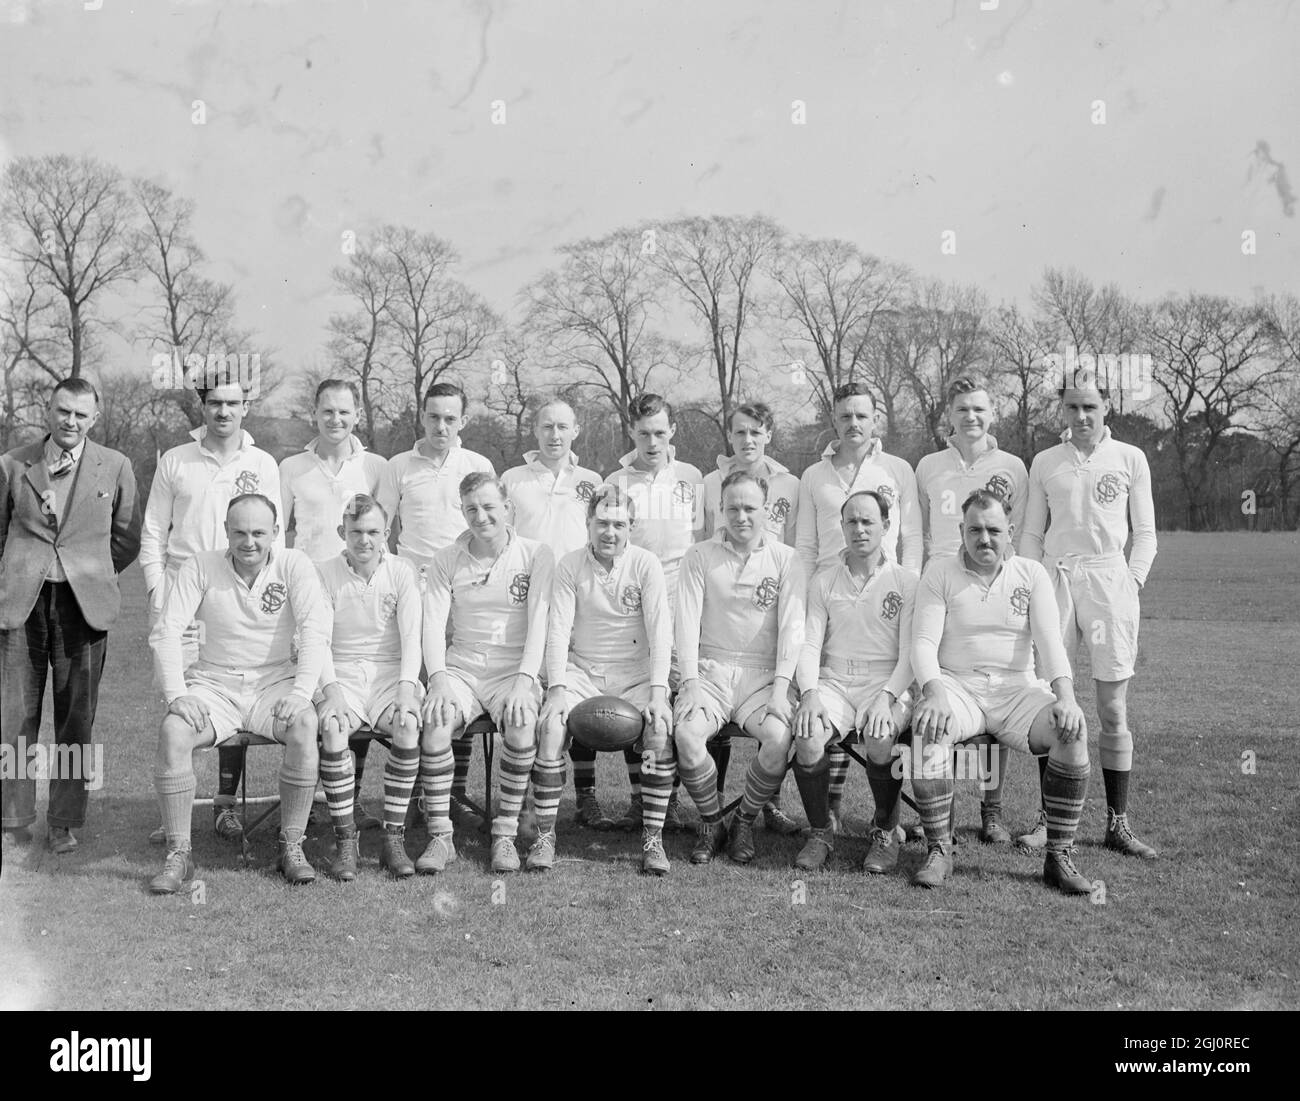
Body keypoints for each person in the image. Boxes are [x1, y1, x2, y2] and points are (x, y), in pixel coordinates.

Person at [909, 489, 1095, 894]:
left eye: (994, 530)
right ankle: (940, 848)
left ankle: (1059, 857)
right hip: (959, 685)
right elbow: (923, 643)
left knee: (1073, 732)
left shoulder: (1032, 573)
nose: (984, 539)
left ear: (1010, 531)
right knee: (927, 728)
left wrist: (1066, 696)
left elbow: (1050, 642)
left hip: (1017, 689)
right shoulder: (939, 572)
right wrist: (935, 692)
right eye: (974, 529)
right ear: (961, 530)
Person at [146, 494, 330, 893]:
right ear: (226, 532)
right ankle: (179, 854)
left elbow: (316, 630)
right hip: (215, 683)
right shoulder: (201, 566)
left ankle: (292, 845)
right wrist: (177, 694)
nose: (249, 542)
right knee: (174, 731)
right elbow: (167, 630)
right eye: (240, 532)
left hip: (274, 681)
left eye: (259, 533)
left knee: (305, 723)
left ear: (276, 533)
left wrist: (301, 693)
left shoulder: (294, 564)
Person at [1018, 378, 1159, 859]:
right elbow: (1032, 534)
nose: (1082, 415)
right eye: (1073, 406)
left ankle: (1117, 823)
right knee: (1053, 702)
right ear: (1061, 409)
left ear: (1105, 409)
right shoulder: (1046, 462)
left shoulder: (1129, 457)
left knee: (1111, 708)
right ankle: (1047, 818)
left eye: (1090, 407)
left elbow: (1146, 534)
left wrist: (1130, 581)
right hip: (1055, 582)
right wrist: (1032, 586)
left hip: (1108, 581)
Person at [0, 377, 141, 852]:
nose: (71, 422)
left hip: (84, 609)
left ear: (94, 418)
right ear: (50, 409)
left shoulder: (116, 467)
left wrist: (91, 574)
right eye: (63, 411)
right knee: (15, 716)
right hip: (23, 606)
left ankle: (63, 822)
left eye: (81, 415)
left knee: (76, 719)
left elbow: (127, 538)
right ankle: (13, 818)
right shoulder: (13, 464)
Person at [140, 373, 281, 844]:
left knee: (236, 687)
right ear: (201, 406)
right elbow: (154, 534)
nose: (224, 412)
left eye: (233, 403)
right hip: (185, 591)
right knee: (179, 700)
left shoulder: (261, 462)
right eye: (215, 402)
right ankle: (171, 814)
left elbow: (273, 534)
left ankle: (224, 804)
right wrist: (162, 600)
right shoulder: (176, 460)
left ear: (246, 408)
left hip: (236, 590)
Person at [795, 381, 920, 830]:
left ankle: (884, 826)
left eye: (862, 416)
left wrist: (910, 589)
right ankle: (825, 822)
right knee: (816, 729)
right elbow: (806, 548)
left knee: (879, 733)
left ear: (875, 419)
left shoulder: (898, 470)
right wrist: (810, 600)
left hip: (883, 598)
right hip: (831, 598)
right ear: (834, 420)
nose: (853, 424)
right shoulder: (814, 475)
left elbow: (915, 539)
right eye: (845, 416)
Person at [531, 485, 675, 874]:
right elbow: (558, 629)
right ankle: (545, 836)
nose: (609, 532)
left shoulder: (646, 564)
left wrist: (659, 693)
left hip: (634, 673)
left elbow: (661, 631)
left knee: (658, 729)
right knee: (549, 728)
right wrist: (557, 689)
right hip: (585, 671)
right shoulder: (570, 565)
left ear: (632, 526)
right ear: (588, 523)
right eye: (602, 523)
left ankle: (652, 837)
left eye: (619, 524)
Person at [418, 473, 553, 875]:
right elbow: (432, 624)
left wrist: (525, 680)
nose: (481, 517)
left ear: (507, 508)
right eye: (472, 509)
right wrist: (438, 678)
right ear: (462, 511)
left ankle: (506, 835)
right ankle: (441, 837)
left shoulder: (535, 554)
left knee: (521, 722)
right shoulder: (446, 558)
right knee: (436, 722)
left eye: (489, 507)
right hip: (462, 669)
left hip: (513, 671)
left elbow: (540, 622)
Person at [914, 376, 1029, 844]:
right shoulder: (927, 466)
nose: (971, 417)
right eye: (962, 409)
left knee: (998, 688)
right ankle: (934, 814)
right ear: (951, 415)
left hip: (996, 590)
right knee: (940, 697)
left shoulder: (1012, 467)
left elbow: (1019, 538)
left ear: (991, 413)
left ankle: (992, 809)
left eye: (979, 409)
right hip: (942, 590)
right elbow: (916, 535)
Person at [674, 470, 806, 866]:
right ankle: (713, 821)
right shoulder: (699, 555)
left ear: (767, 510)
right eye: (733, 507)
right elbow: (685, 623)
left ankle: (745, 820)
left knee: (779, 737)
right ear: (720, 509)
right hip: (711, 672)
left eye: (750, 507)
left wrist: (782, 689)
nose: (741, 516)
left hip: (764, 676)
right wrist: (691, 683)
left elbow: (792, 629)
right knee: (686, 734)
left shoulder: (787, 558)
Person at [280, 379, 388, 829]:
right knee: (314, 690)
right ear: (315, 414)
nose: (336, 420)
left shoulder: (376, 467)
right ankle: (301, 796)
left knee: (354, 688)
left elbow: (384, 531)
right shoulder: (291, 467)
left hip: (357, 591)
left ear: (357, 415)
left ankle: (350, 794)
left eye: (344, 412)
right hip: (307, 592)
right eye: (327, 411)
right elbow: (276, 532)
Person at [500, 399, 611, 830]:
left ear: (576, 430)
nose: (554, 435)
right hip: (527, 604)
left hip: (578, 603)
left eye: (563, 426)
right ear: (535, 430)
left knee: (574, 695)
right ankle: (526, 805)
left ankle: (586, 797)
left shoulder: (592, 481)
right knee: (535, 703)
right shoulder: (512, 480)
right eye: (547, 426)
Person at [791, 490, 915, 872]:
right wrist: (810, 693)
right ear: (842, 527)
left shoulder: (907, 581)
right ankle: (820, 831)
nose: (859, 529)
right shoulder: (824, 580)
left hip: (888, 680)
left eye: (868, 522)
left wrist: (888, 698)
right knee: (808, 736)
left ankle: (884, 831)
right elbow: (810, 645)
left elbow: (912, 653)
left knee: (880, 736)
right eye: (852, 522)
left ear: (886, 527)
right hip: (836, 680)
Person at [699, 401, 805, 837]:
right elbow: (704, 541)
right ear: (730, 435)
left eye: (756, 432)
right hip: (725, 598)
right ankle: (718, 804)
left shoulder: (791, 484)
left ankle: (769, 805)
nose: (747, 440)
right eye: (740, 432)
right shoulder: (709, 483)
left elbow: (800, 543)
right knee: (716, 721)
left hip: (775, 600)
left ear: (769, 435)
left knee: (773, 718)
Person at [602, 393, 704, 833]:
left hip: (684, 601)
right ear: (631, 432)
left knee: (681, 695)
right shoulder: (616, 482)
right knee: (639, 697)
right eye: (643, 433)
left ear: (672, 431)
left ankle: (674, 798)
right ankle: (637, 797)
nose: (652, 441)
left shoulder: (692, 477)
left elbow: (699, 542)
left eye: (660, 432)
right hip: (636, 602)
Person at [313, 495, 422, 881]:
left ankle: (394, 838)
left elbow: (412, 638)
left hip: (390, 674)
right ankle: (346, 839)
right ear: (342, 532)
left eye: (373, 532)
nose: (364, 540)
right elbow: (317, 641)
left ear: (386, 533)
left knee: (407, 725)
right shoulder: (323, 572)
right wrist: (332, 693)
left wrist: (407, 690)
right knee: (332, 728)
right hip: (341, 674)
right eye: (356, 532)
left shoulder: (402, 571)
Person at [377, 380, 494, 584]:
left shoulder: (479, 466)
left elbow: (495, 527)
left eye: (450, 419)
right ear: (423, 417)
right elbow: (379, 528)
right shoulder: (397, 465)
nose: (441, 427)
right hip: (411, 580)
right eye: (434, 417)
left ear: (463, 421)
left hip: (466, 579)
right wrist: (389, 572)